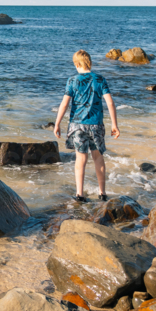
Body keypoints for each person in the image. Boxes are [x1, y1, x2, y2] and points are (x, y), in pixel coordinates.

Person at [52, 50, 119, 202]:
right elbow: (110, 103)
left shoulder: (72, 80)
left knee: (80, 159)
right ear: (89, 62)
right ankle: (102, 193)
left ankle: (80, 194)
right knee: (98, 158)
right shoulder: (100, 79)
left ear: (77, 64)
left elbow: (64, 104)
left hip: (77, 125)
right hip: (96, 124)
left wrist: (57, 123)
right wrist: (114, 124)